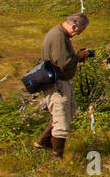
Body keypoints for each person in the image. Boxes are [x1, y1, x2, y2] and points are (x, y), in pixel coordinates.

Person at [32, 13, 91, 159]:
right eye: (81, 30)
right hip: (57, 84)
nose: (79, 33)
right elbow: (63, 64)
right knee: (62, 118)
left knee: (67, 112)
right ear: (74, 25)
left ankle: (43, 141)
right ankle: (56, 157)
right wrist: (79, 56)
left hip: (60, 82)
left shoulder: (60, 35)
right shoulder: (58, 36)